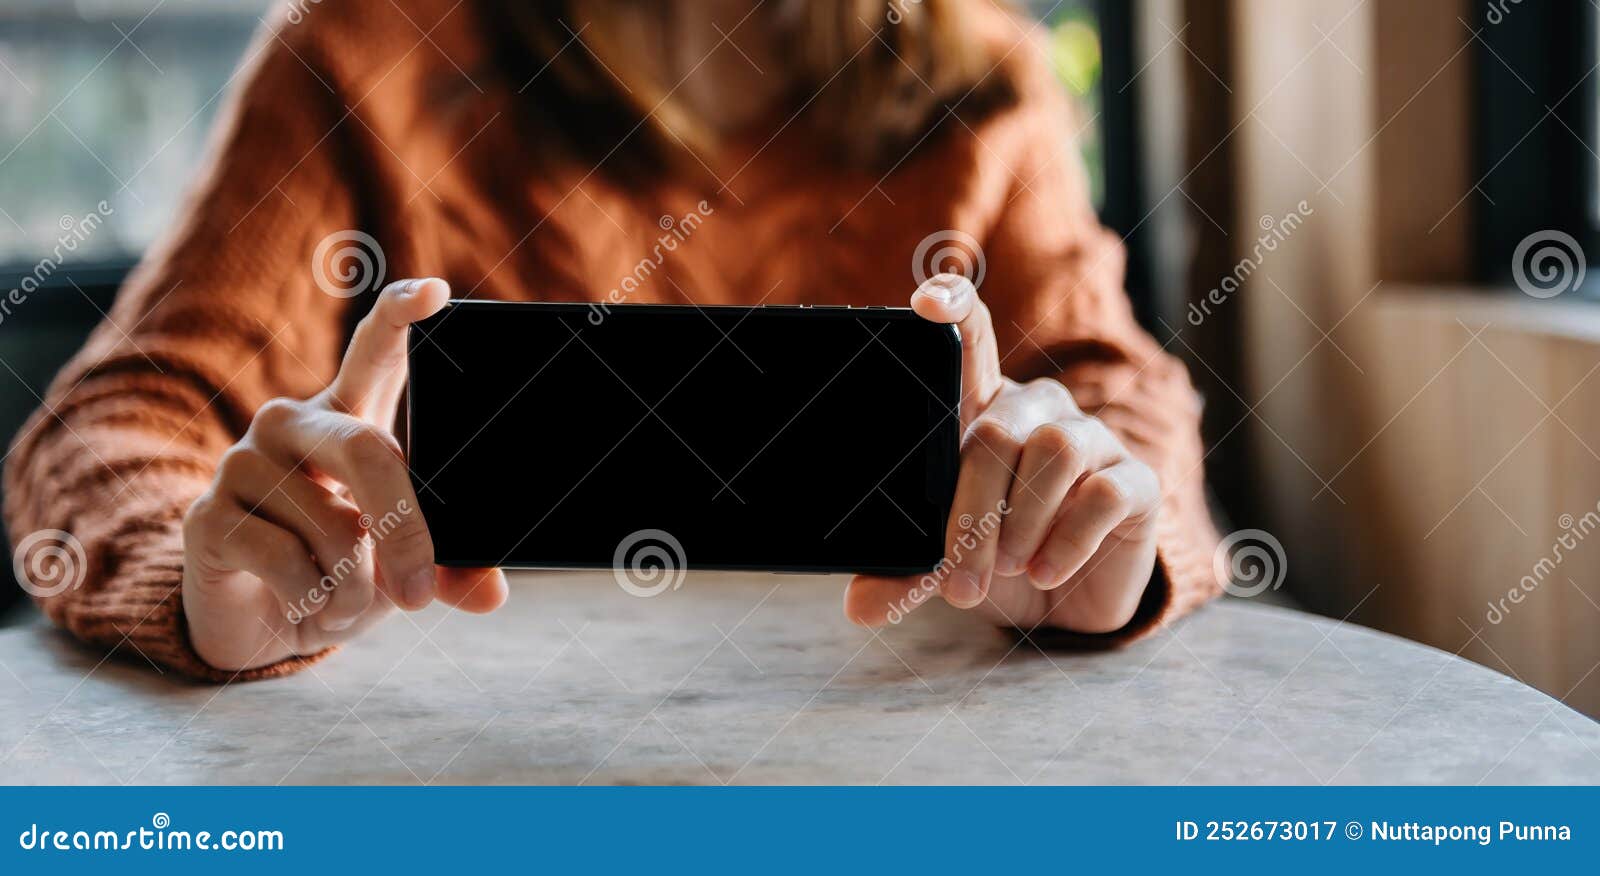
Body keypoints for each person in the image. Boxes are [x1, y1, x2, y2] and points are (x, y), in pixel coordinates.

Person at [3, 0, 1222, 680]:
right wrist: (204, 580)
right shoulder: (357, 51)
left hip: (896, 748)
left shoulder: (991, 86)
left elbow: (1106, 385)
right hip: (453, 772)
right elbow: (121, 417)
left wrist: (1106, 538)